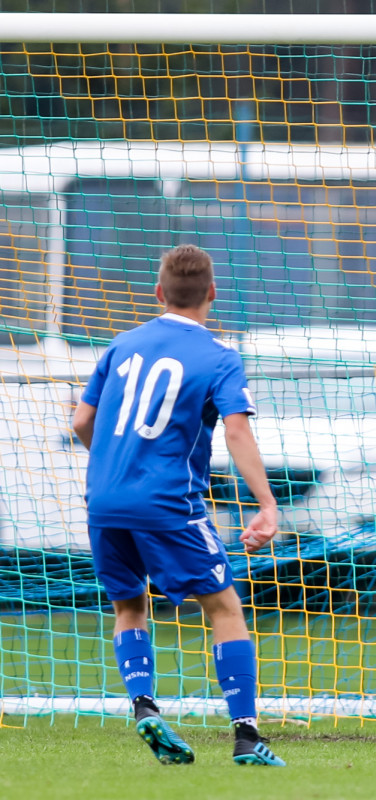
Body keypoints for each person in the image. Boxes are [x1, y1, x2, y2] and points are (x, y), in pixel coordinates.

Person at [72, 245, 285, 767]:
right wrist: (265, 503)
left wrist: (115, 466)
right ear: (212, 293)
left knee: (129, 604)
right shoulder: (218, 356)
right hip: (168, 501)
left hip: (103, 499)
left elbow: (81, 424)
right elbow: (236, 429)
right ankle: (247, 737)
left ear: (159, 292)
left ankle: (145, 705)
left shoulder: (121, 344)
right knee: (224, 607)